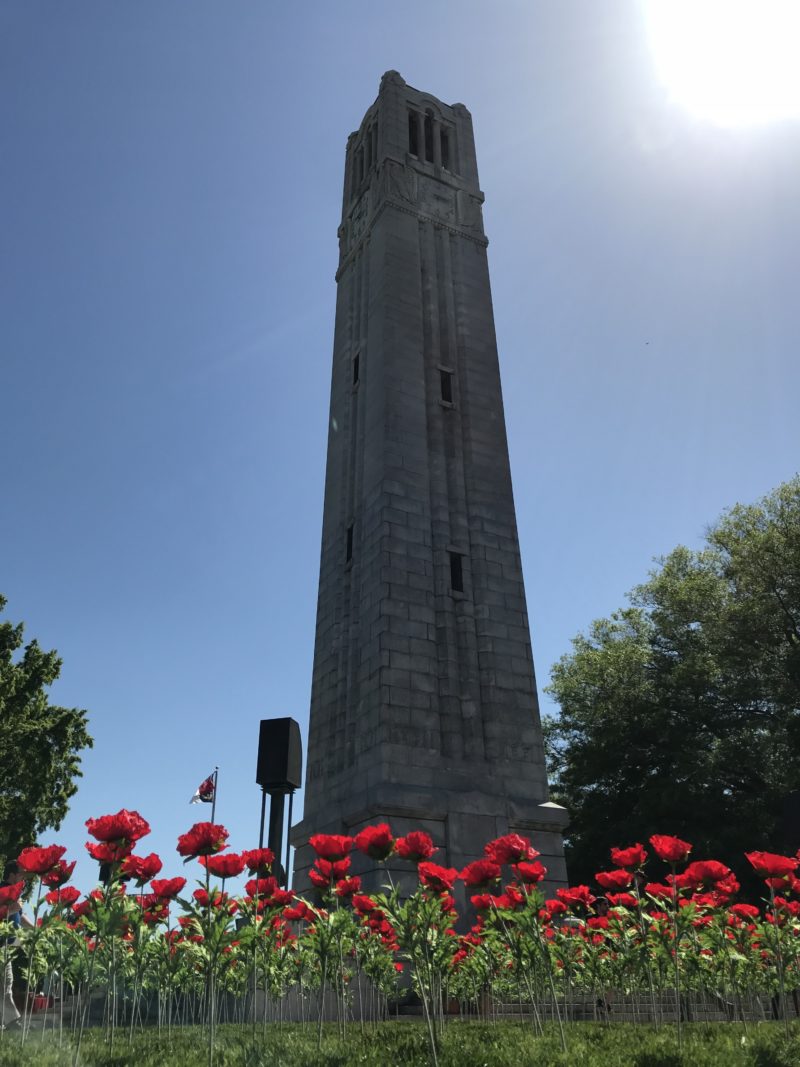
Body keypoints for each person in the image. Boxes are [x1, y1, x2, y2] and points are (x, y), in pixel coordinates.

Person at [1, 861, 30, 1031]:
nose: (23, 877)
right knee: (6, 983)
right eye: (21, 873)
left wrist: (36, 928)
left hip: (7, 945)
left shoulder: (15, 893)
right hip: (1, 945)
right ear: (11, 875)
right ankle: (13, 1023)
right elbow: (10, 911)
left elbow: (20, 915)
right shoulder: (3, 890)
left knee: (4, 985)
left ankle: (9, 1022)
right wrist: (12, 909)